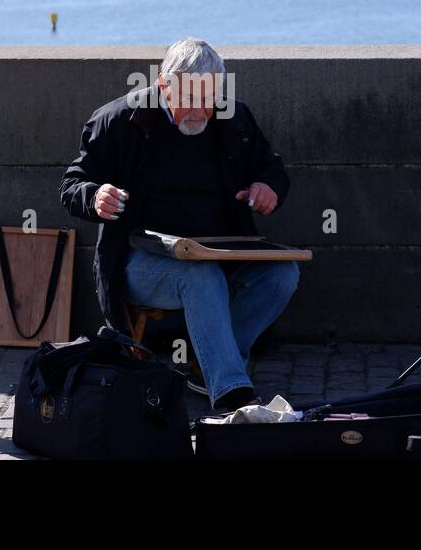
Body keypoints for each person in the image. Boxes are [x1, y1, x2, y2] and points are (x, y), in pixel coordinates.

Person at [59, 38, 298, 411]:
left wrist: (267, 188)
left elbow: (272, 168)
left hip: (220, 250)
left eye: (210, 100)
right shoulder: (118, 121)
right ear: (164, 86)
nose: (202, 112)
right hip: (140, 260)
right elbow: (72, 185)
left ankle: (211, 364)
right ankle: (234, 394)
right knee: (198, 275)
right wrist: (95, 196)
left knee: (282, 274)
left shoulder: (234, 117)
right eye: (192, 99)